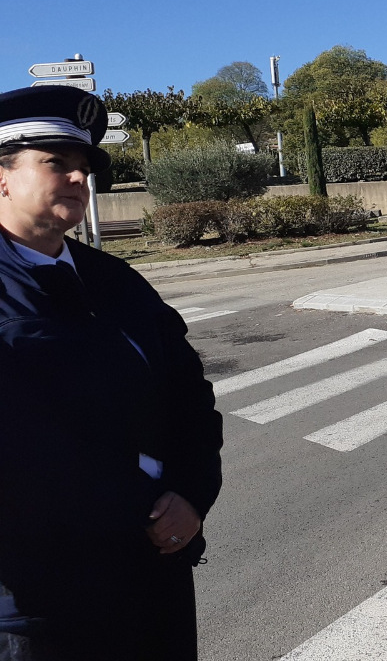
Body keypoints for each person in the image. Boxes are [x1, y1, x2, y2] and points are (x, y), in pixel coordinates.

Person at [0, 86, 223, 659]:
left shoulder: (116, 280)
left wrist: (191, 495)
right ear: (2, 178)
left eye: (83, 167)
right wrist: (126, 505)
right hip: (39, 601)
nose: (79, 178)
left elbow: (189, 397)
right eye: (55, 162)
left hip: (150, 572)